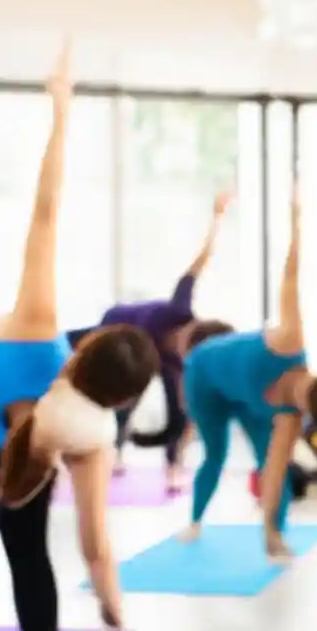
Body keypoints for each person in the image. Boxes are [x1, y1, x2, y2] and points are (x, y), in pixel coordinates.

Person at [0, 43, 159, 631]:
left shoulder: (40, 327)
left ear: (84, 347)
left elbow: (46, 213)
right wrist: (117, 614)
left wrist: (62, 112)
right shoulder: (93, 438)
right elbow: (96, 549)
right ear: (124, 402)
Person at [178, 186, 317, 560]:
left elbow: (273, 475)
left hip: (247, 398)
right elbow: (290, 276)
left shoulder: (289, 420)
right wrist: (296, 220)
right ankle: (194, 521)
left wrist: (269, 534)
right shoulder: (291, 342)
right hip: (203, 376)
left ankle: (278, 531)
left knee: (271, 459)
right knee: (216, 453)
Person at [67, 192, 231, 491]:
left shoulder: (181, 361)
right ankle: (114, 453)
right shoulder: (178, 309)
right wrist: (217, 217)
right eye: (184, 345)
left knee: (178, 414)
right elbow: (200, 263)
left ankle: (172, 467)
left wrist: (185, 439)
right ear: (186, 331)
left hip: (150, 357)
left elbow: (187, 405)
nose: (183, 352)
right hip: (115, 330)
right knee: (122, 402)